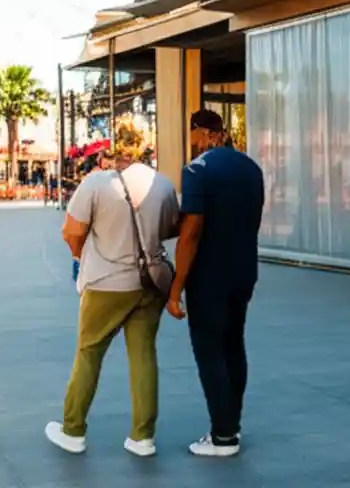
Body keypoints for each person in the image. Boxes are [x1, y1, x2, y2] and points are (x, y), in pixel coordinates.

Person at [45, 118, 180, 459]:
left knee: (89, 353)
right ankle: (143, 436)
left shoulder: (96, 183)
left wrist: (80, 254)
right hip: (149, 282)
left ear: (113, 146)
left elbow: (71, 230)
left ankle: (73, 430)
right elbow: (169, 229)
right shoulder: (162, 185)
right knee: (144, 355)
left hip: (106, 283)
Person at [167, 109, 265, 458]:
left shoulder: (197, 169)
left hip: (209, 277)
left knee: (209, 352)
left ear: (202, 132)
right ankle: (231, 425)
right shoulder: (251, 168)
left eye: (192, 133)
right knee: (233, 346)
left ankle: (222, 436)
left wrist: (176, 287)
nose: (191, 141)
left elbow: (191, 232)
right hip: (243, 272)